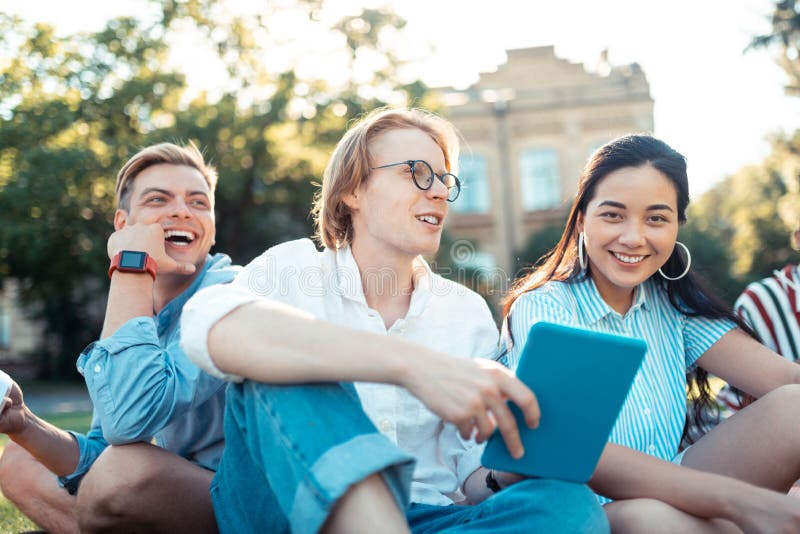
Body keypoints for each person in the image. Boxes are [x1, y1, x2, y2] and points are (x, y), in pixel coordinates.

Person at [180, 107, 610, 533]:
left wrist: (512, 467)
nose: (439, 192)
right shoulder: (290, 271)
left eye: (445, 180)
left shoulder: (466, 314)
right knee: (290, 364)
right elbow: (205, 323)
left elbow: (468, 475)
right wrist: (412, 366)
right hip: (290, 508)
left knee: (567, 504)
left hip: (428, 516)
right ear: (353, 190)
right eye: (417, 173)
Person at [502, 133, 800, 532]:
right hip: (586, 507)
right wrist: (739, 504)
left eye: (656, 218)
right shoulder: (546, 306)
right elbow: (566, 448)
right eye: (612, 215)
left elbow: (786, 380)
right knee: (654, 520)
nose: (633, 237)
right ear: (581, 218)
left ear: (677, 226)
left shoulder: (672, 303)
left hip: (681, 489)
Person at [0, 142, 239, 533]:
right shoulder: (134, 307)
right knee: (19, 460)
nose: (181, 210)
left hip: (242, 501)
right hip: (166, 490)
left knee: (122, 472)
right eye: (159, 199)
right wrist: (23, 423)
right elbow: (103, 447)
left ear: (211, 229)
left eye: (198, 202)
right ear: (123, 225)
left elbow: (129, 423)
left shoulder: (232, 293)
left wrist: (131, 264)